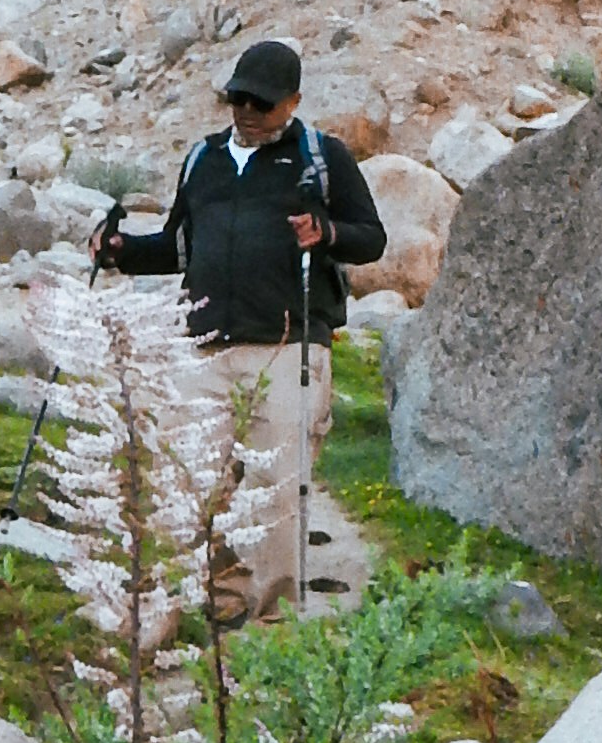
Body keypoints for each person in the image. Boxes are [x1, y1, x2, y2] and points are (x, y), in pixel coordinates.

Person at [90, 37, 385, 620]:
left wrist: (326, 234)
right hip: (203, 342)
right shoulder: (205, 159)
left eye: (262, 102)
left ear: (294, 101)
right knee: (197, 480)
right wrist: (122, 250)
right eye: (239, 99)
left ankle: (273, 613)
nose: (248, 112)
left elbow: (371, 238)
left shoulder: (323, 158)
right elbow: (179, 247)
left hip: (287, 342)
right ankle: (221, 594)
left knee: (277, 484)